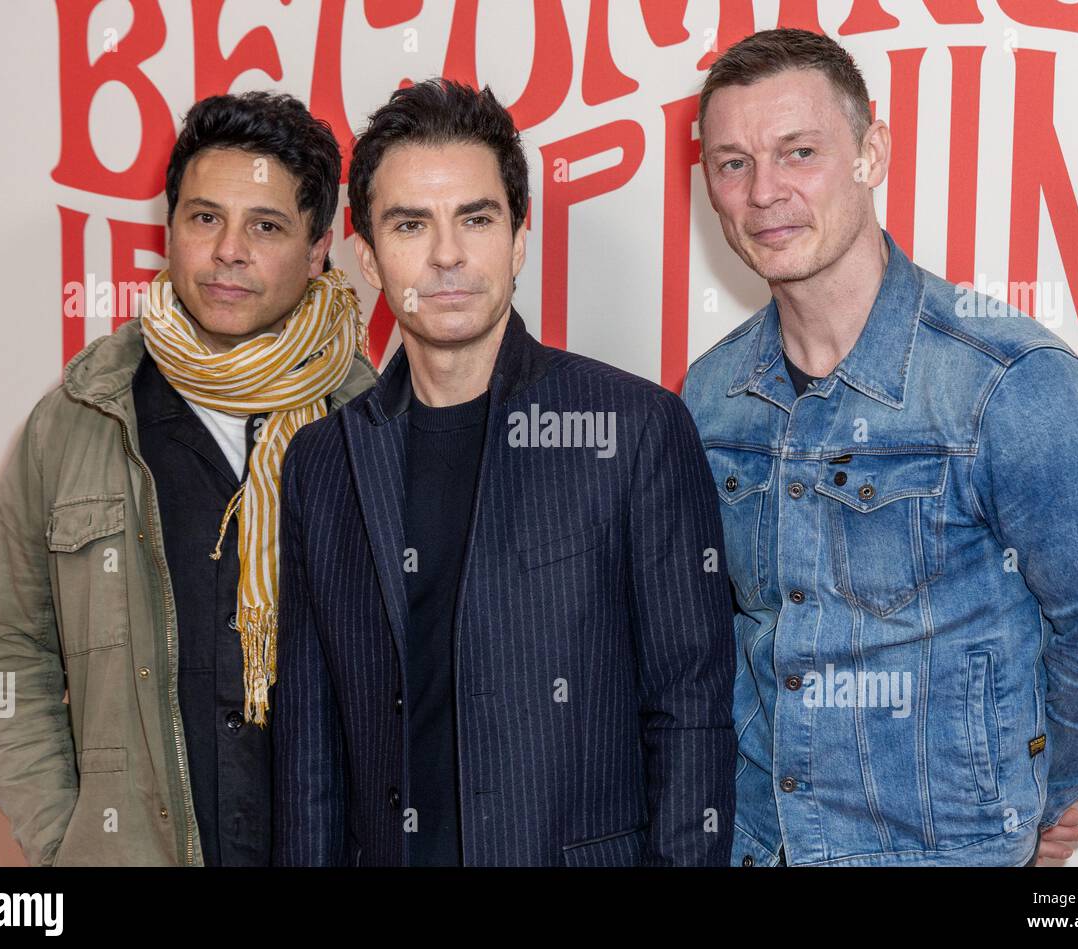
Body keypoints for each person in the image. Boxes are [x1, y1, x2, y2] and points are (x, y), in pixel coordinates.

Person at [680, 28, 1078, 867]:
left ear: (872, 153)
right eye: (733, 163)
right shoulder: (710, 398)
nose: (765, 192)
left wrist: (1021, 804)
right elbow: (715, 643)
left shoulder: (1012, 383)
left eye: (798, 152)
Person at [272, 79, 735, 866]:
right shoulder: (324, 461)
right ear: (368, 258)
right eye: (410, 224)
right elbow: (310, 747)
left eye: (476, 218)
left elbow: (690, 712)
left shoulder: (633, 429)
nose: (447, 255)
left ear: (519, 240)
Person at [0, 91, 377, 865]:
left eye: (266, 226)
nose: (228, 250)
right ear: (171, 228)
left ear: (320, 249)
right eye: (205, 217)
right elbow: (9, 643)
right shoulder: (80, 420)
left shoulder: (372, 423)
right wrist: (65, 841)